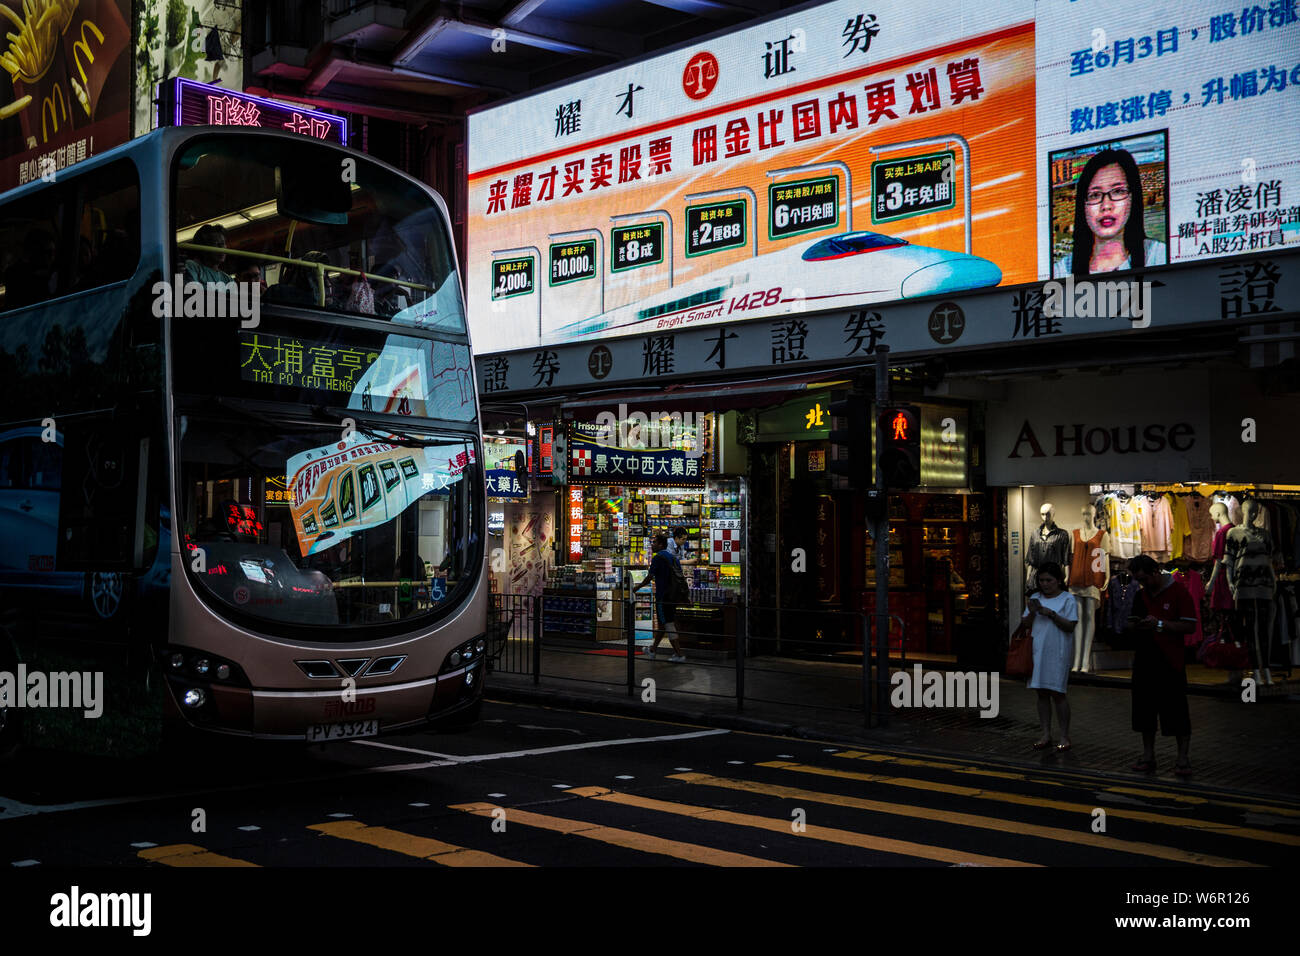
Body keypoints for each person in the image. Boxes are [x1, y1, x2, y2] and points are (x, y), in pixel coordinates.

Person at [1127, 554, 1196, 776]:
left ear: (1155, 572)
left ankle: (1182, 758)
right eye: (1139, 580)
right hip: (1145, 660)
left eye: (1145, 579)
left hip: (1170, 661)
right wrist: (1136, 625)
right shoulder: (1140, 596)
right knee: (1144, 711)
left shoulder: (1179, 593)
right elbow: (1132, 622)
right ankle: (1148, 755)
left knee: (1176, 711)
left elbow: (1189, 626)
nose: (1143, 584)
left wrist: (1160, 624)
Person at [1055, 148, 1167, 277]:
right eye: (1095, 195)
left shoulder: (1159, 256)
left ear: (1132, 197)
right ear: (1083, 204)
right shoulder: (1060, 272)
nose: (1106, 206)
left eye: (1118, 191)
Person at [1023, 561, 1078, 751]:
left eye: (1049, 580)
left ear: (1058, 581)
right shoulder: (1036, 597)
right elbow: (1026, 624)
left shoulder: (1067, 599)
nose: (1045, 584)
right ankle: (1045, 733)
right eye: (1042, 580)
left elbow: (1070, 625)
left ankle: (1064, 735)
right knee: (1041, 693)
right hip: (1038, 651)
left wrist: (1051, 614)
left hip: (1058, 652)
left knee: (1058, 693)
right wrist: (1032, 612)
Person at [633, 533, 686, 662]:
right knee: (664, 624)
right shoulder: (672, 557)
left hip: (663, 596)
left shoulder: (658, 558)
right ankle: (653, 649)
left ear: (661, 544)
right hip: (673, 596)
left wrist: (637, 587)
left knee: (668, 625)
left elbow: (650, 576)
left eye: (654, 542)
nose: (652, 545)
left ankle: (679, 655)